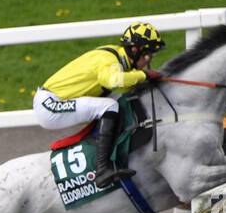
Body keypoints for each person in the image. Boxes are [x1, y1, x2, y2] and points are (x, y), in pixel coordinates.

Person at [32, 22, 166, 188]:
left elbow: (123, 86)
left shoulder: (118, 58)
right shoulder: (109, 60)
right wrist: (144, 75)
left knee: (116, 102)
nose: (148, 61)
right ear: (134, 49)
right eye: (148, 55)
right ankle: (102, 170)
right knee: (109, 106)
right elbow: (114, 80)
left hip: (53, 101)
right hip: (50, 106)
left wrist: (145, 79)